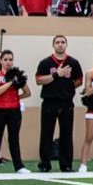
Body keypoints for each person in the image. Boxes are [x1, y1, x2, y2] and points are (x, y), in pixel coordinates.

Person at [34, 35, 81, 172]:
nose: (60, 45)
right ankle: (45, 164)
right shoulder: (45, 63)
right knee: (46, 134)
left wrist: (67, 86)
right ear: (53, 45)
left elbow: (78, 80)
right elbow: (39, 80)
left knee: (67, 134)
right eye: (57, 42)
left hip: (66, 103)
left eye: (62, 42)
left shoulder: (73, 62)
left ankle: (66, 164)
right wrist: (57, 75)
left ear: (66, 45)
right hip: (49, 102)